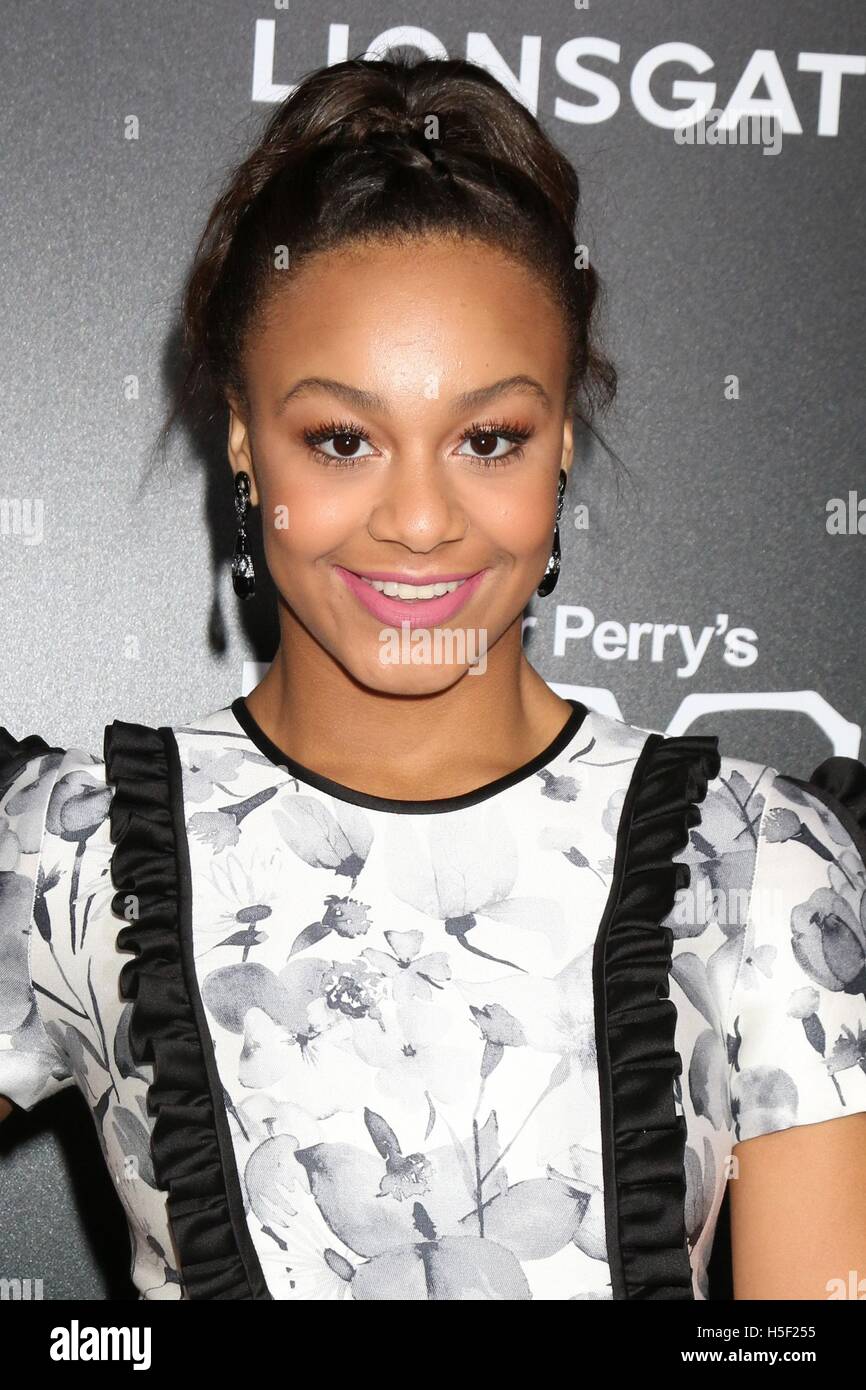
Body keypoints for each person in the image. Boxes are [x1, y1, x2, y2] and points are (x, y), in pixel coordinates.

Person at [1, 52, 865, 1303]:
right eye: (340, 439)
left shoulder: (758, 865)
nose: (417, 518)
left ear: (561, 436)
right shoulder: (68, 854)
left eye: (487, 438)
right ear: (245, 441)